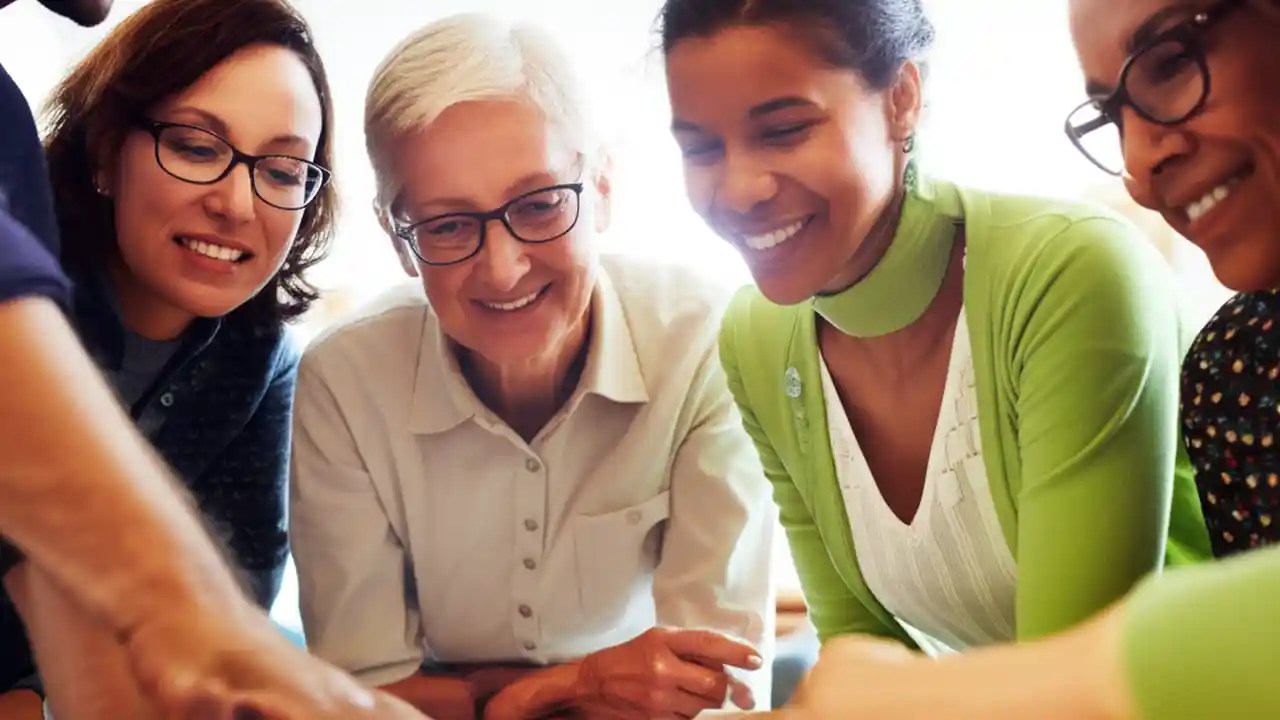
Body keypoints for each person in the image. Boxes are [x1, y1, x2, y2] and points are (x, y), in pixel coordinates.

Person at [768, 1, 1280, 718]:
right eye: (1111, 116)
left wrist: (976, 695)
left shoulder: (1075, 273)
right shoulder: (1239, 367)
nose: (1138, 165)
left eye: (1168, 64)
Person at [658, 0, 1211, 659]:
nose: (739, 188)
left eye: (784, 130)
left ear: (901, 99)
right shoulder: (756, 338)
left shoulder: (1071, 275)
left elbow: (1072, 679)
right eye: (700, 148)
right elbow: (860, 659)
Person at [289, 13, 776, 719]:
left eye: (541, 204)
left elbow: (716, 684)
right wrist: (581, 687)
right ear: (399, 240)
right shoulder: (345, 381)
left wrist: (525, 696)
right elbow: (356, 697)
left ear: (603, 187)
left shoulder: (709, 342)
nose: (504, 266)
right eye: (447, 225)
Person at [0, 1, 425, 718]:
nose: (235, 203)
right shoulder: (29, 241)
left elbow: (230, 628)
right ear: (105, 153)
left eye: (286, 170)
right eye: (197, 147)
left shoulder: (259, 363)